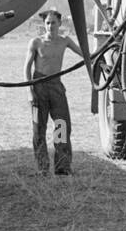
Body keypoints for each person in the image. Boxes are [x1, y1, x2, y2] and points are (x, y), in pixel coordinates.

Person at [22, 9, 83, 175]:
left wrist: (100, 61)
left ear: (60, 24)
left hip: (56, 88)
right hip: (39, 87)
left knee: (61, 126)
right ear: (44, 25)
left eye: (53, 22)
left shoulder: (65, 41)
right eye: (47, 23)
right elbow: (26, 69)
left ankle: (62, 167)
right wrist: (30, 92)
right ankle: (42, 168)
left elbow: (85, 55)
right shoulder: (36, 42)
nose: (50, 26)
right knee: (39, 129)